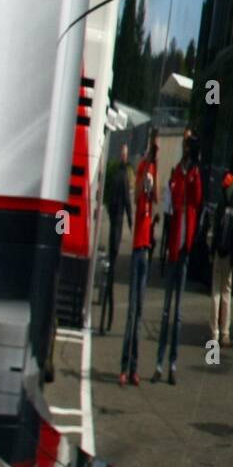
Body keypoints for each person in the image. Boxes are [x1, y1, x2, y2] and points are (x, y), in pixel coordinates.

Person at [153, 133, 203, 385]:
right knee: (165, 311)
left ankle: (172, 363)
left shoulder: (194, 174)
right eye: (184, 145)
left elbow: (197, 199)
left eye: (188, 146)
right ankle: (160, 363)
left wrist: (194, 169)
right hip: (173, 247)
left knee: (178, 313)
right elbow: (169, 204)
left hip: (184, 248)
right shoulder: (176, 173)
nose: (185, 149)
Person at [120, 137, 157, 387]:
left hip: (145, 248)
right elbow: (138, 199)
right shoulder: (143, 168)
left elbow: (153, 201)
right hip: (136, 248)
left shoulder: (153, 170)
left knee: (140, 311)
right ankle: (124, 366)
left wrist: (152, 184)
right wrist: (145, 174)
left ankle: (134, 366)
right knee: (131, 313)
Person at [211, 149, 233, 347]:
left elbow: (217, 213)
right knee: (226, 288)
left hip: (220, 242)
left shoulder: (224, 183)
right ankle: (224, 331)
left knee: (217, 287)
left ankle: (214, 331)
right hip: (231, 243)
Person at [100, 142, 133, 335]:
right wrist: (129, 219)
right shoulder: (124, 177)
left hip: (115, 221)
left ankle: (107, 318)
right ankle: (108, 319)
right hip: (117, 223)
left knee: (111, 266)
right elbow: (126, 202)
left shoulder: (116, 176)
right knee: (112, 263)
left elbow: (112, 200)